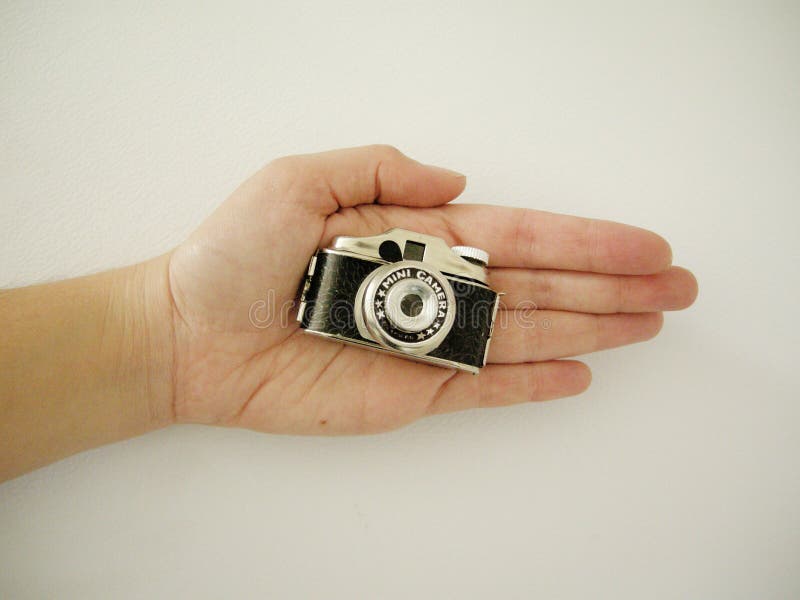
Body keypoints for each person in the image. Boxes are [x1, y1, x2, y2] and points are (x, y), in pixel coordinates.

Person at [0, 145, 698, 481]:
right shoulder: (331, 278)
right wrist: (174, 327)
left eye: (424, 290)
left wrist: (166, 334)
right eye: (411, 286)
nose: (416, 295)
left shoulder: (441, 291)